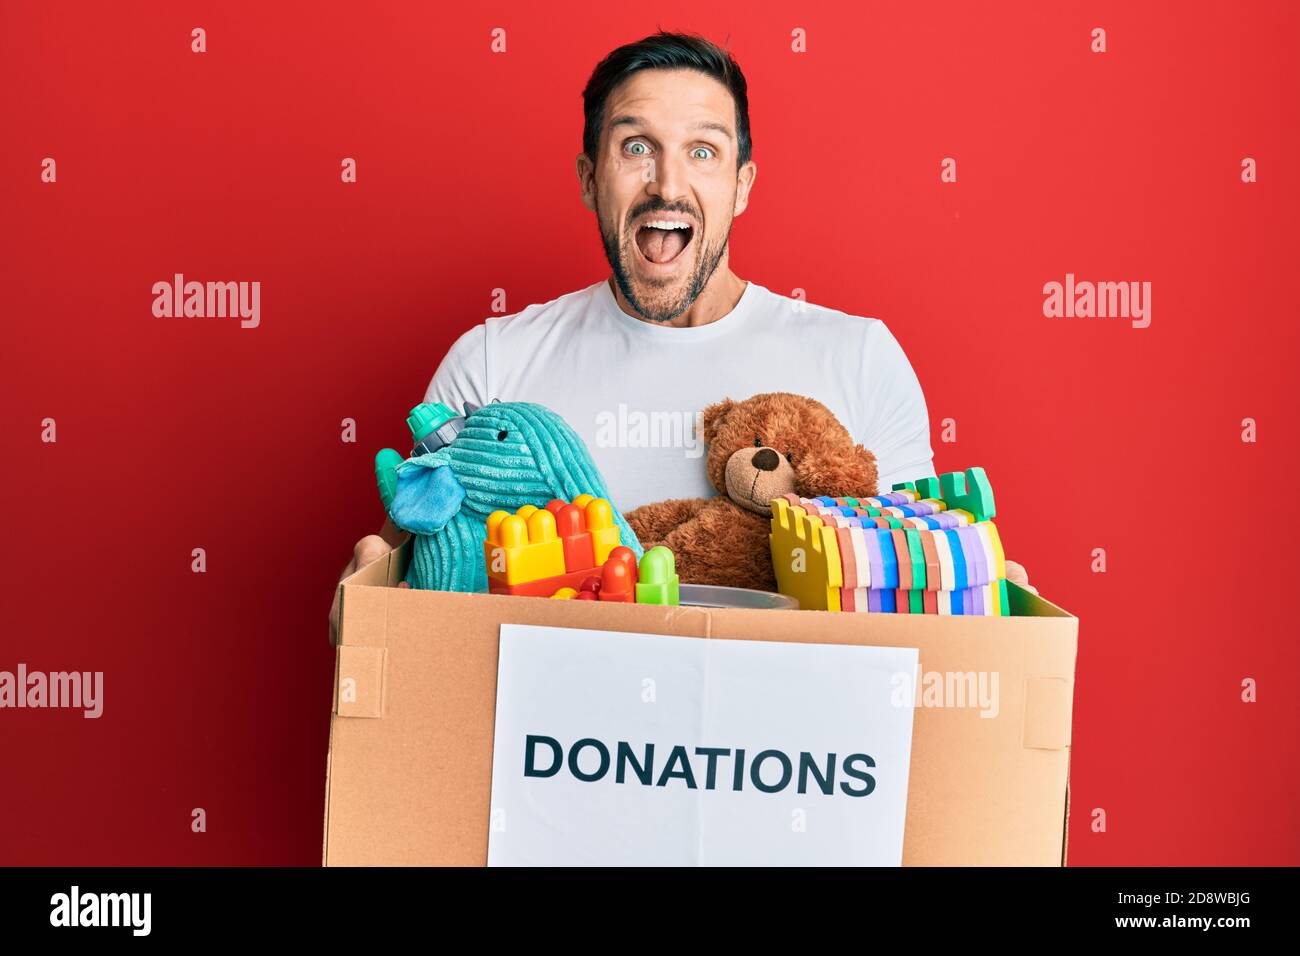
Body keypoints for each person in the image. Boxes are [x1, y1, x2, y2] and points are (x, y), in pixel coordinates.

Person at [330, 32, 1032, 640]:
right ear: (588, 178)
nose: (667, 184)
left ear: (742, 185)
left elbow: (915, 590)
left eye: (703, 151)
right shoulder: (492, 364)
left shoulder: (858, 359)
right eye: (636, 146)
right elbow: (418, 574)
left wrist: (980, 600)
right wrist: (370, 602)